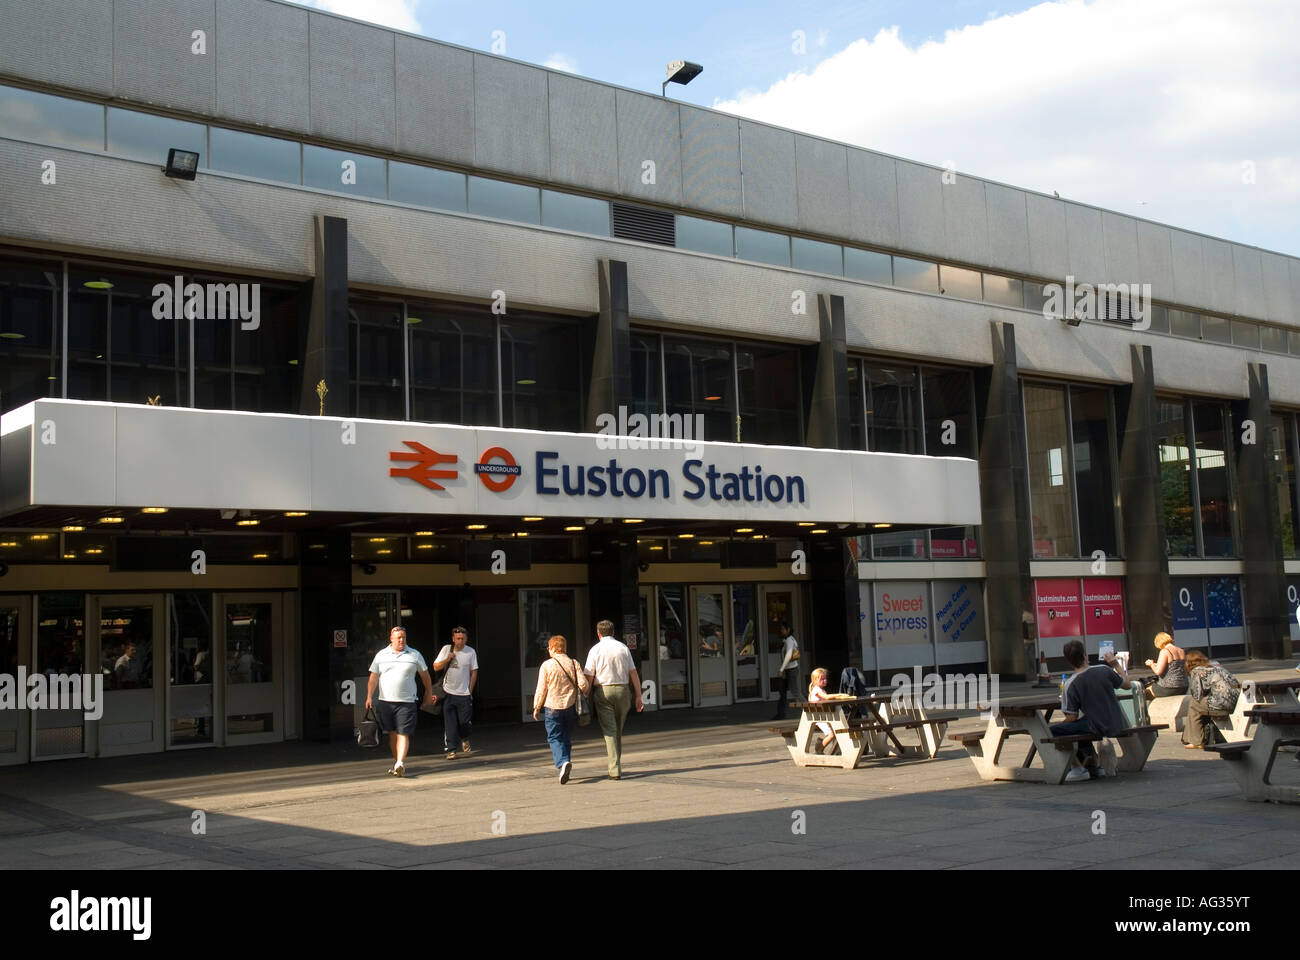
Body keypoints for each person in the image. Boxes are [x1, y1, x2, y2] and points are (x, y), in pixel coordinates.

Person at [1051, 638, 1128, 782]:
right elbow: (1127, 685)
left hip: (1095, 725)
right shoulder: (1104, 670)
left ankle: (1077, 768)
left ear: (1068, 661)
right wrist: (1115, 664)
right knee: (1078, 726)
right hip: (1116, 721)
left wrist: (1060, 723)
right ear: (1085, 655)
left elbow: (1072, 717)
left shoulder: (1070, 683)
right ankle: (1095, 765)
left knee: (1053, 730)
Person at [365, 626, 436, 777]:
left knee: (403, 733)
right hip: (386, 701)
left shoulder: (414, 654)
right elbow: (373, 677)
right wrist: (369, 696)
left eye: (403, 637)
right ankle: (397, 761)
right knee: (392, 733)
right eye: (398, 637)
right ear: (391, 639)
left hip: (407, 702)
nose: (401, 640)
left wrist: (429, 693)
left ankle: (400, 763)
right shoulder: (381, 655)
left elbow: (425, 676)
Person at [583, 619, 644, 780]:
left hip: (603, 691)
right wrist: (639, 695)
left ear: (598, 633)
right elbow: (633, 673)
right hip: (623, 691)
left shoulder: (595, 650)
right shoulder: (623, 648)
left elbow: (588, 675)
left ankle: (614, 769)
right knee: (617, 729)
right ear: (613, 632)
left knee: (610, 731)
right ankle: (616, 764)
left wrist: (585, 694)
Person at [532, 634, 591, 784]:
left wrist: (536, 707)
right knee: (566, 738)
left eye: (549, 648)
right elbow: (584, 685)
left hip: (552, 707)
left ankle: (562, 763)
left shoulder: (547, 665)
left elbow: (541, 688)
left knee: (554, 737)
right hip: (570, 707)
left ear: (552, 648)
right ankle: (565, 767)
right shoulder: (574, 663)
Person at [433, 626, 479, 758]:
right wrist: (447, 659)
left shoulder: (470, 652)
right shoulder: (446, 649)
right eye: (458, 638)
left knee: (464, 723)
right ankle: (451, 749)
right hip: (448, 692)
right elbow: (436, 667)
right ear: (453, 639)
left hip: (464, 693)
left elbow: (474, 672)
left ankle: (464, 737)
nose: (460, 641)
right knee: (450, 723)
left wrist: (470, 690)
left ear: (466, 639)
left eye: (463, 638)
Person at [1182, 650, 1240, 749]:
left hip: (1223, 704)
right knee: (1199, 704)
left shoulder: (1197, 671)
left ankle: (1196, 741)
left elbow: (1196, 695)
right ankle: (1191, 737)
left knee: (1194, 704)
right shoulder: (1217, 667)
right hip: (1236, 703)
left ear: (1189, 663)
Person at [1143, 632, 1188, 700]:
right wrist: (1156, 664)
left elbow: (1158, 672)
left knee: (1145, 692)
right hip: (1184, 686)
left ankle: (1155, 706)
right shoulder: (1181, 650)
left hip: (1169, 687)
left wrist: (1151, 664)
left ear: (1159, 642)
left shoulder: (1165, 651)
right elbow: (1174, 666)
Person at [773, 622, 800, 720]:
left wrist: (781, 669)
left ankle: (810, 711)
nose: (781, 631)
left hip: (791, 670)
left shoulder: (789, 640)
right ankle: (781, 714)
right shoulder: (790, 640)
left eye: (783, 629)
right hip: (788, 670)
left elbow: (788, 655)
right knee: (782, 692)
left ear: (788, 629)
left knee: (795, 692)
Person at [808, 667, 837, 753]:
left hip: (824, 716)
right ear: (815, 681)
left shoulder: (822, 690)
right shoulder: (816, 690)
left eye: (825, 678)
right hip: (819, 718)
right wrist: (837, 695)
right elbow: (826, 697)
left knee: (837, 730)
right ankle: (820, 748)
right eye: (822, 679)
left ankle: (835, 749)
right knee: (831, 734)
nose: (825, 680)